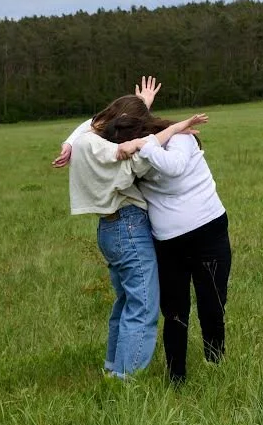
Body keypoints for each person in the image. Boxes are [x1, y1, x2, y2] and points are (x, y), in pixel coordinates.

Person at [52, 85, 206, 380]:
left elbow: (94, 124)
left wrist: (141, 104)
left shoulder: (86, 140)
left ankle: (114, 368)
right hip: (128, 226)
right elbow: (141, 153)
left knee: (125, 301)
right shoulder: (98, 147)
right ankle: (127, 378)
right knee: (143, 305)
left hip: (111, 228)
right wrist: (173, 129)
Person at [127, 80, 233, 385]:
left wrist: (145, 143)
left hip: (208, 232)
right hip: (168, 243)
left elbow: (172, 167)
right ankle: (176, 377)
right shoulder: (142, 147)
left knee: (212, 302)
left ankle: (215, 361)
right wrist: (141, 110)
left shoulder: (181, 139)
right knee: (174, 311)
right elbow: (94, 132)